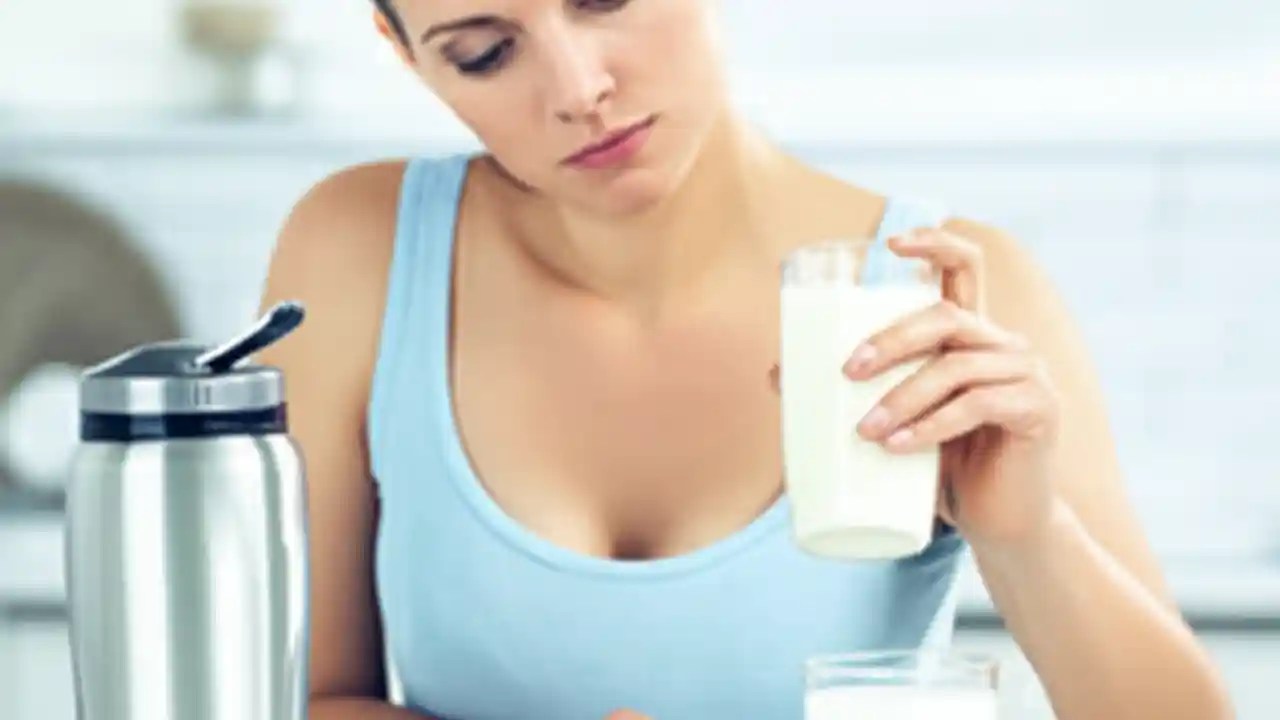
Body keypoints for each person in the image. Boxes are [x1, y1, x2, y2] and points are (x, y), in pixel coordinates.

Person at [256, 2, 1232, 719]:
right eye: (484, 53)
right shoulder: (359, 248)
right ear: (409, 58)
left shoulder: (939, 290)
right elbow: (300, 696)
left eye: (602, 0)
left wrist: (1025, 536)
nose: (577, 89)